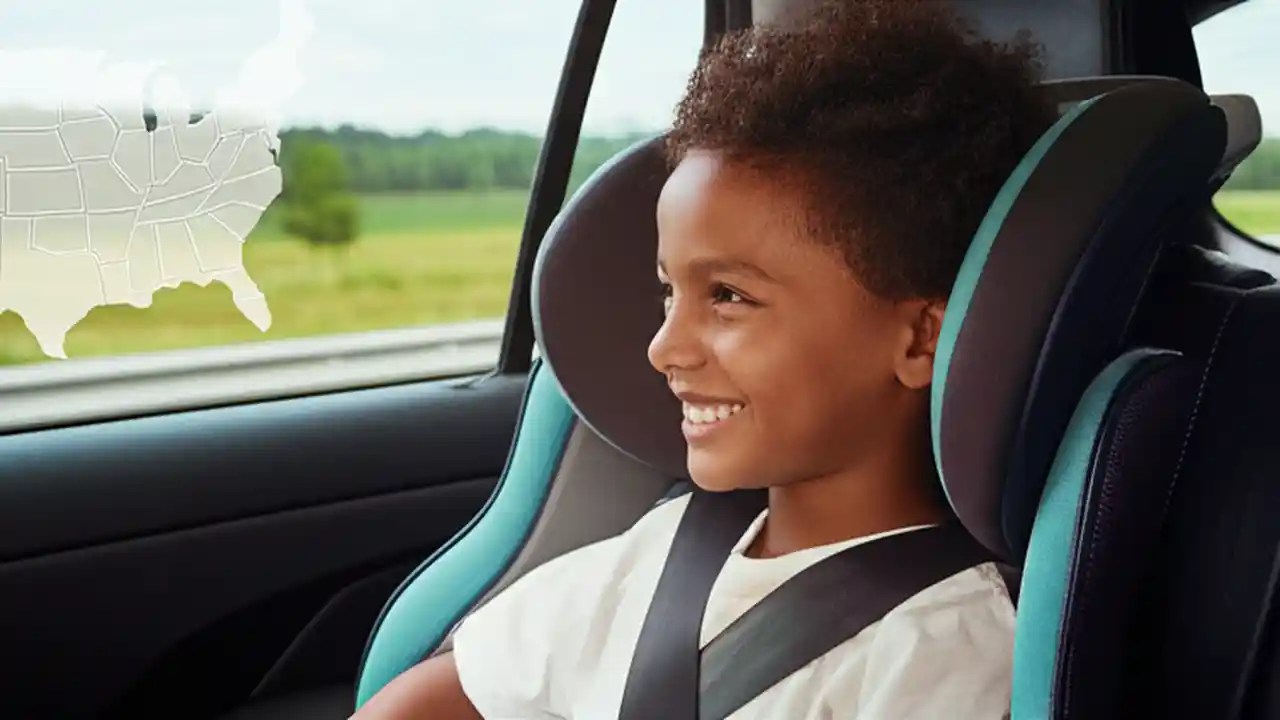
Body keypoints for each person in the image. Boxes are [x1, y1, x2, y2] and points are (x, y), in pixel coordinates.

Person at [352, 2, 1057, 718]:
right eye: (668, 291)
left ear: (919, 341)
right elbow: (436, 701)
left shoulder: (944, 650)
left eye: (727, 296)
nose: (664, 348)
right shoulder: (671, 547)